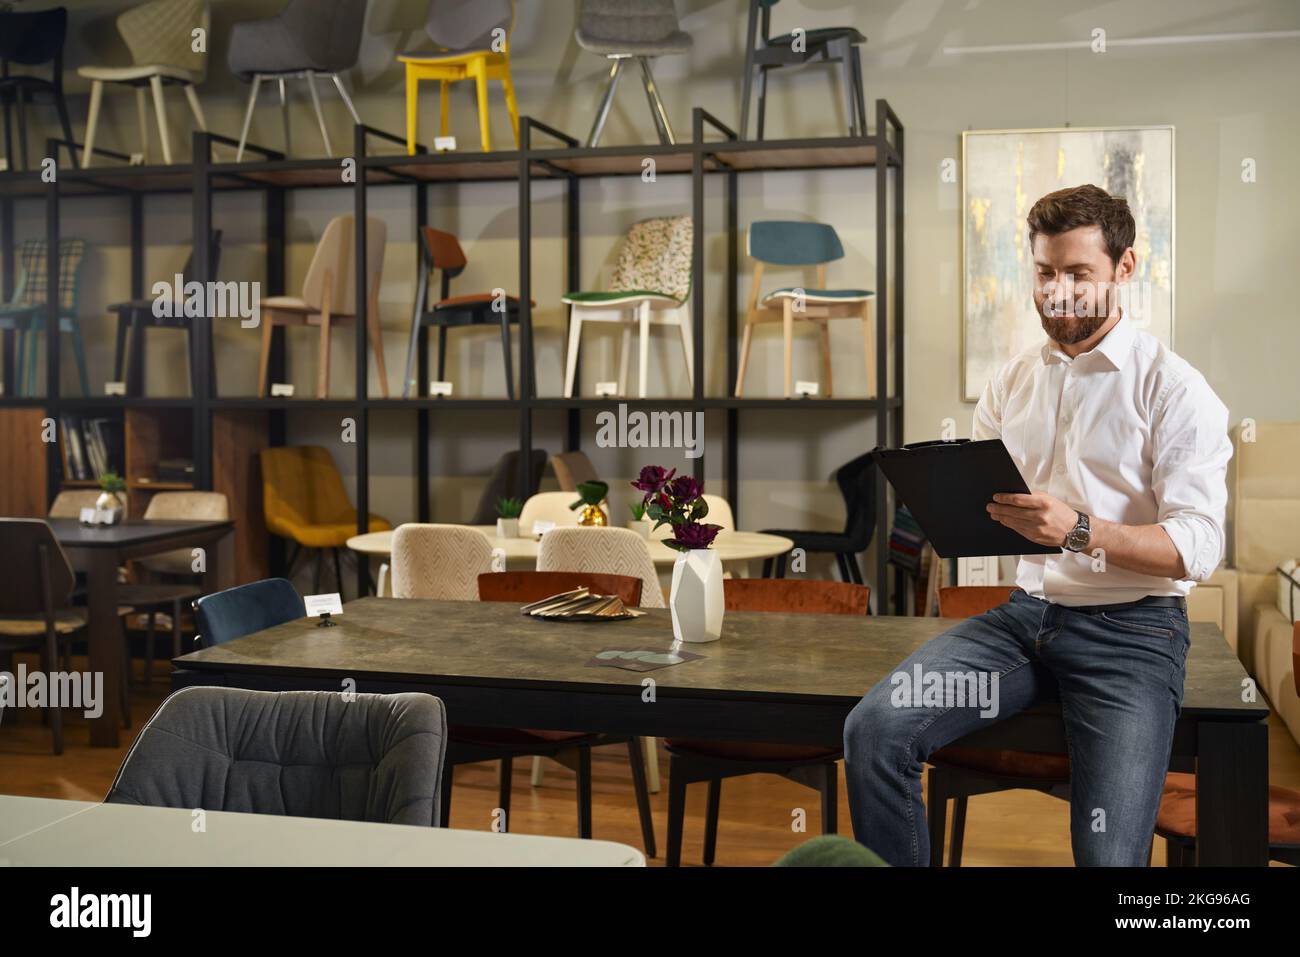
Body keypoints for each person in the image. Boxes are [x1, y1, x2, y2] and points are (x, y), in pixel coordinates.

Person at [843, 184, 1231, 866]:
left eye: (1079, 273)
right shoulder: (1012, 381)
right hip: (1025, 621)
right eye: (1046, 273)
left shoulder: (1176, 389)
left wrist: (1080, 530)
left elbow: (1197, 547)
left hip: (1134, 633)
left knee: (1108, 855)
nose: (1058, 292)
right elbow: (993, 510)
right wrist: (945, 510)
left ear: (1125, 268)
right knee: (875, 730)